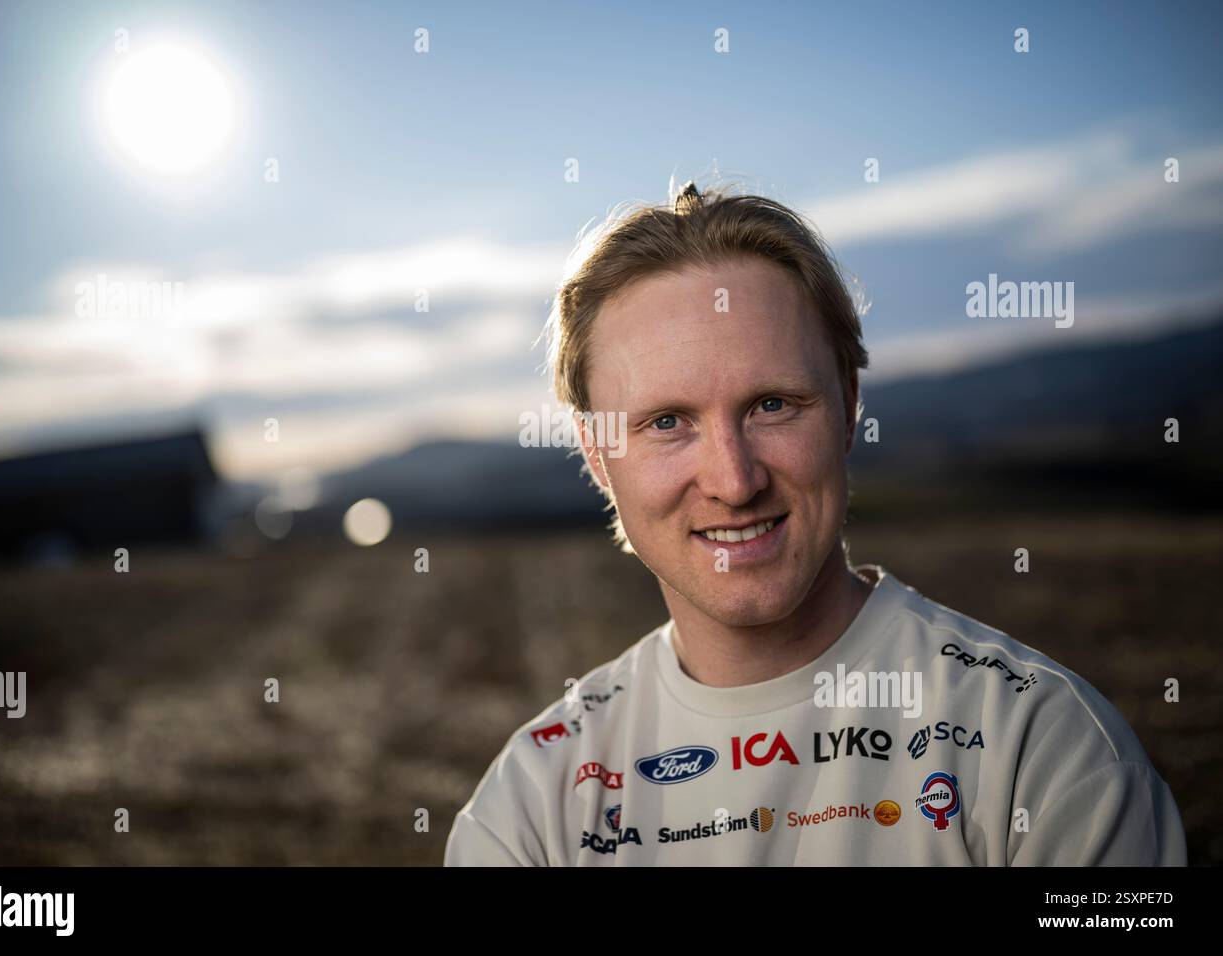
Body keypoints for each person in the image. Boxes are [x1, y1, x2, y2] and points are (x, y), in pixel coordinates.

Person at [443, 180, 1187, 865]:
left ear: (847, 403)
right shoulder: (531, 803)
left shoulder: (1045, 748)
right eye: (668, 422)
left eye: (772, 405)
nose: (735, 482)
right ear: (599, 457)